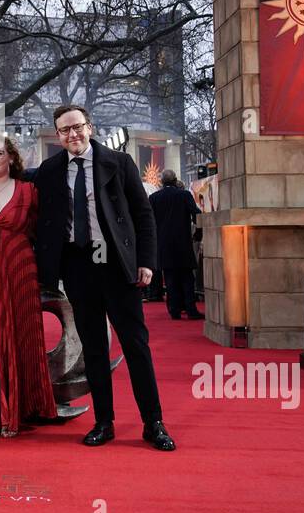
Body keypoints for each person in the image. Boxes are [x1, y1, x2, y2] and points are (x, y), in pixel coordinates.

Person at [31, 105, 175, 450]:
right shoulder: (50, 171)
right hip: (77, 267)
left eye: (77, 127)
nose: (73, 135)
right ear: (58, 135)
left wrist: (146, 262)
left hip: (117, 266)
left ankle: (153, 423)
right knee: (93, 349)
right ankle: (103, 422)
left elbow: (143, 215)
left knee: (135, 345)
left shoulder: (119, 163)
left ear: (90, 127)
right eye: (64, 131)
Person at [0, 134, 57, 437]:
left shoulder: (29, 191)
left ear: (12, 158)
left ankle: (17, 409)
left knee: (19, 336)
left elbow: (44, 233)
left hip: (19, 273)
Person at [149, 169, 202, 319]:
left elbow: (149, 220)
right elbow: (196, 213)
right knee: (187, 277)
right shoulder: (184, 195)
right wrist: (198, 232)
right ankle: (191, 309)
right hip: (182, 242)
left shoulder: (154, 198)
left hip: (163, 244)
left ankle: (174, 311)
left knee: (170, 278)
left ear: (162, 182)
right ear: (175, 180)